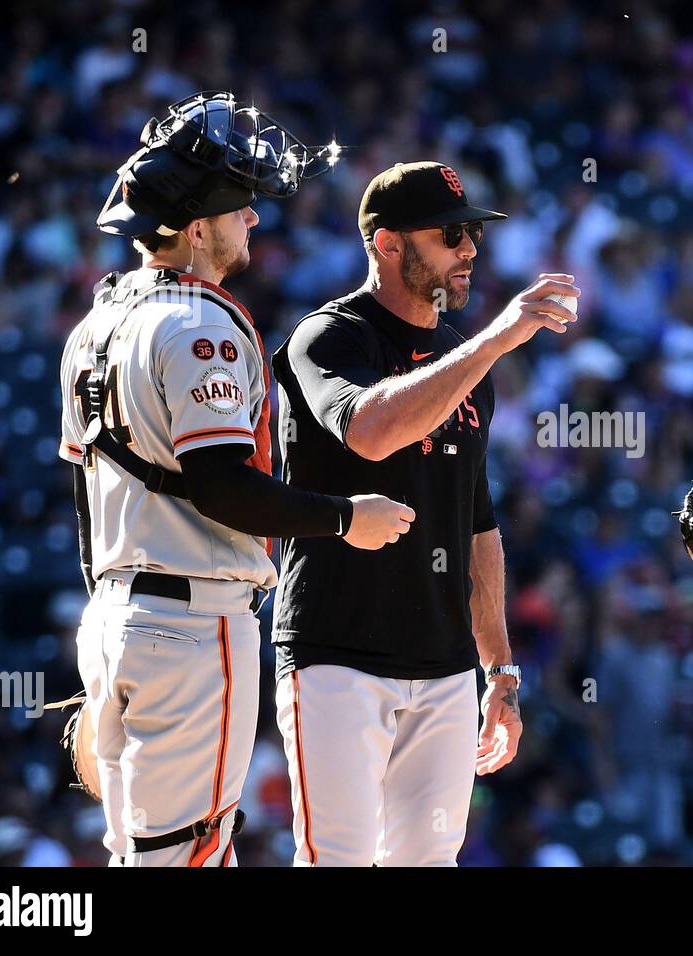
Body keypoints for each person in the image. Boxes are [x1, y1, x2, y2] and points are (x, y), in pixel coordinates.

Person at [58, 92, 413, 867]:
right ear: (195, 228)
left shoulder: (96, 322)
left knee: (137, 855)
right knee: (191, 856)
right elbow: (221, 487)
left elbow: (85, 499)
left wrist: (113, 636)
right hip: (190, 624)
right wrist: (345, 517)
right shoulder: (199, 323)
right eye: (239, 207)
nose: (252, 220)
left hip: (114, 618)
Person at [271, 161, 580, 866]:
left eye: (472, 232)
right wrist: (495, 341)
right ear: (386, 243)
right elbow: (372, 433)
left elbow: (478, 524)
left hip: (443, 666)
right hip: (335, 652)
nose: (470, 249)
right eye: (451, 234)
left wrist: (501, 673)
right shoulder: (328, 337)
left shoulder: (463, 358)